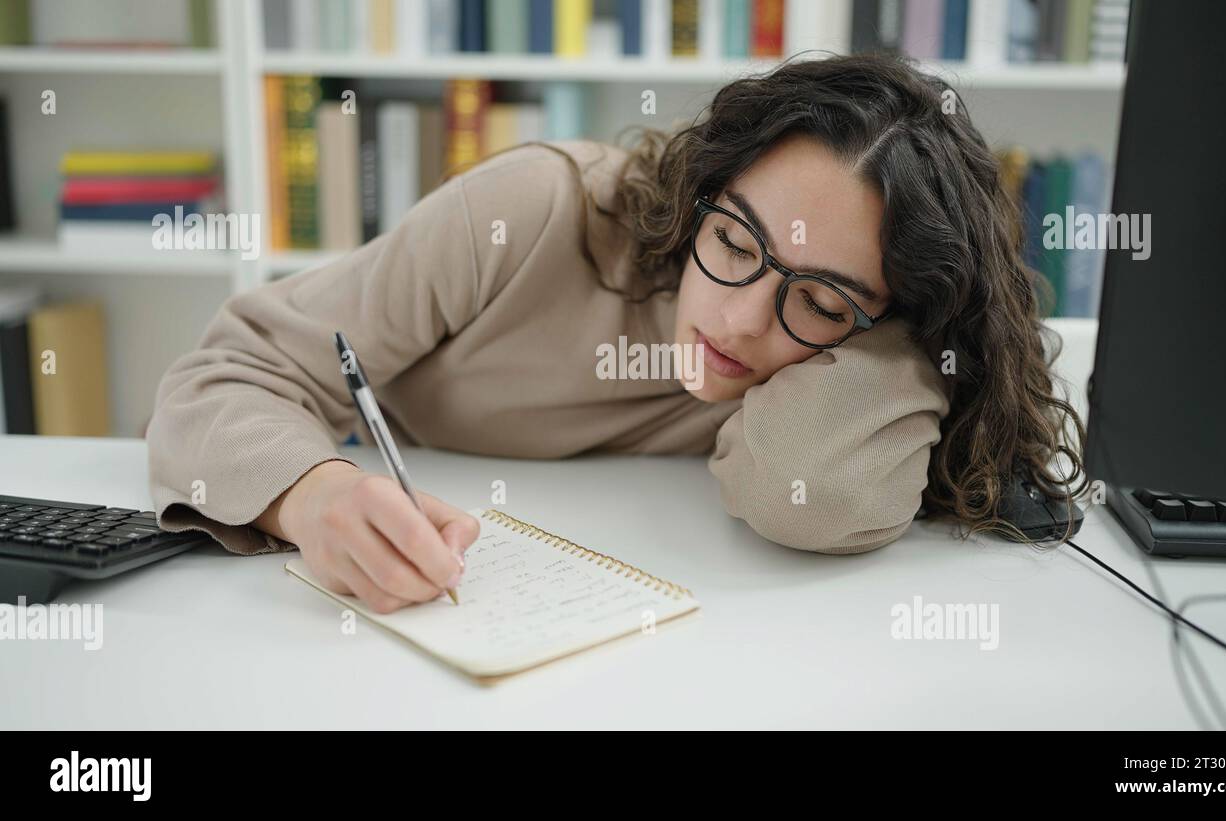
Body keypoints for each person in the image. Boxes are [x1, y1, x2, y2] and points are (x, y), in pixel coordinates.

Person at [146, 53, 1083, 613]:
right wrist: (312, 495)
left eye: (823, 304)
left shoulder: (854, 357)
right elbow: (229, 370)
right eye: (734, 240)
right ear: (704, 185)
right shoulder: (534, 213)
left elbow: (815, 492)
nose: (742, 319)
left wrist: (914, 335)